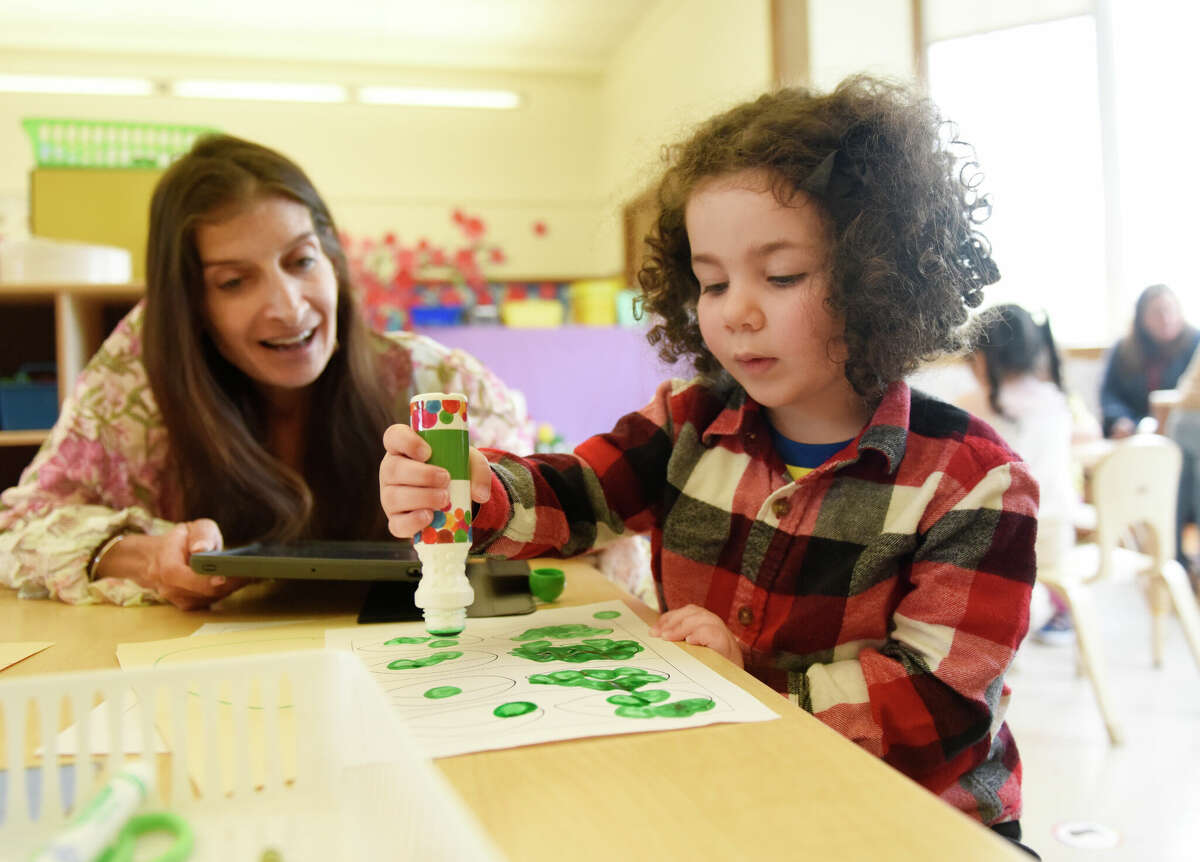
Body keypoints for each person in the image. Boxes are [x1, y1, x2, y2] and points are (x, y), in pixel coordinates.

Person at [381, 77, 1039, 852]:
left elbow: (940, 703)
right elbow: (578, 492)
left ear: (876, 278)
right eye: (713, 282)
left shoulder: (973, 484)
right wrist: (477, 489)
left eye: (781, 276)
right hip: (738, 788)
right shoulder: (690, 423)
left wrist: (748, 675)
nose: (735, 311)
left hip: (911, 824)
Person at [0, 134, 532, 610]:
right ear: (191, 306)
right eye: (234, 281)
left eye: (301, 261)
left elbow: (552, 513)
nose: (288, 306)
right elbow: (18, 527)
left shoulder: (435, 380)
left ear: (332, 259)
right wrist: (143, 557)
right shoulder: (138, 379)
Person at [955, 305, 1081, 645]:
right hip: (1057, 534)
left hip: (1003, 543)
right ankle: (1045, 605)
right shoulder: (1056, 400)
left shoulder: (971, 406)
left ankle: (1031, 609)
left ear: (981, 357)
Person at [1100, 284, 1199, 439]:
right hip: (1134, 432)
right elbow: (1109, 395)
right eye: (1157, 313)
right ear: (1142, 318)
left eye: (1170, 310)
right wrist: (1120, 420)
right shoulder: (1123, 350)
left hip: (1178, 429)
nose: (1165, 319)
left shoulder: (1195, 345)